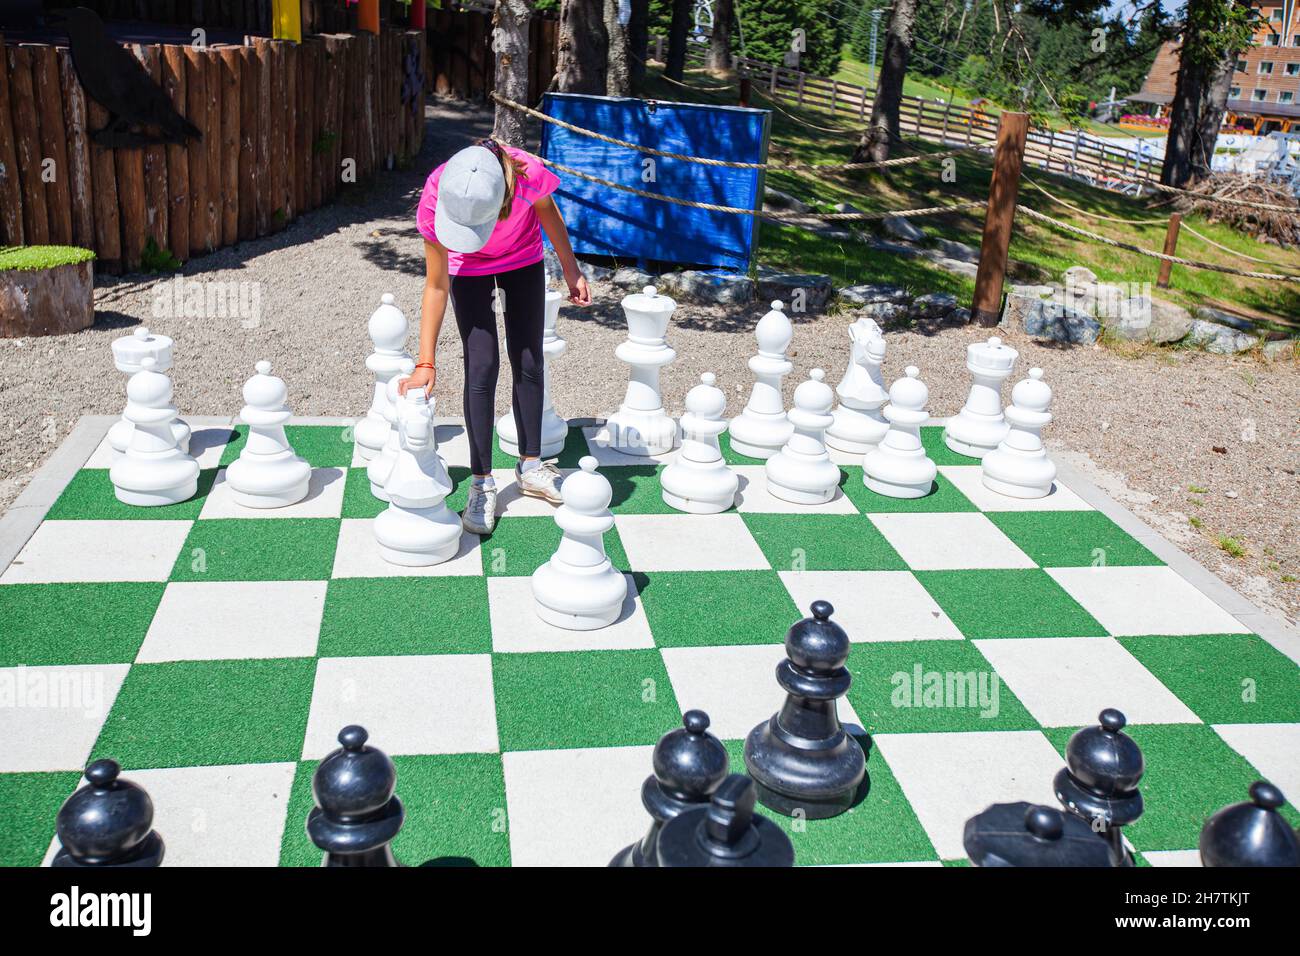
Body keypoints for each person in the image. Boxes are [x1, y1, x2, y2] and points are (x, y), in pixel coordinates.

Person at [403, 138, 591, 535]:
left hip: (522, 258)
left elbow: (550, 214)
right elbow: (436, 285)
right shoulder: (437, 193)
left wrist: (571, 270)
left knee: (528, 358)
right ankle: (482, 482)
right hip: (468, 269)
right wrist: (425, 362)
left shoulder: (525, 174)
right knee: (482, 365)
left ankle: (531, 465)